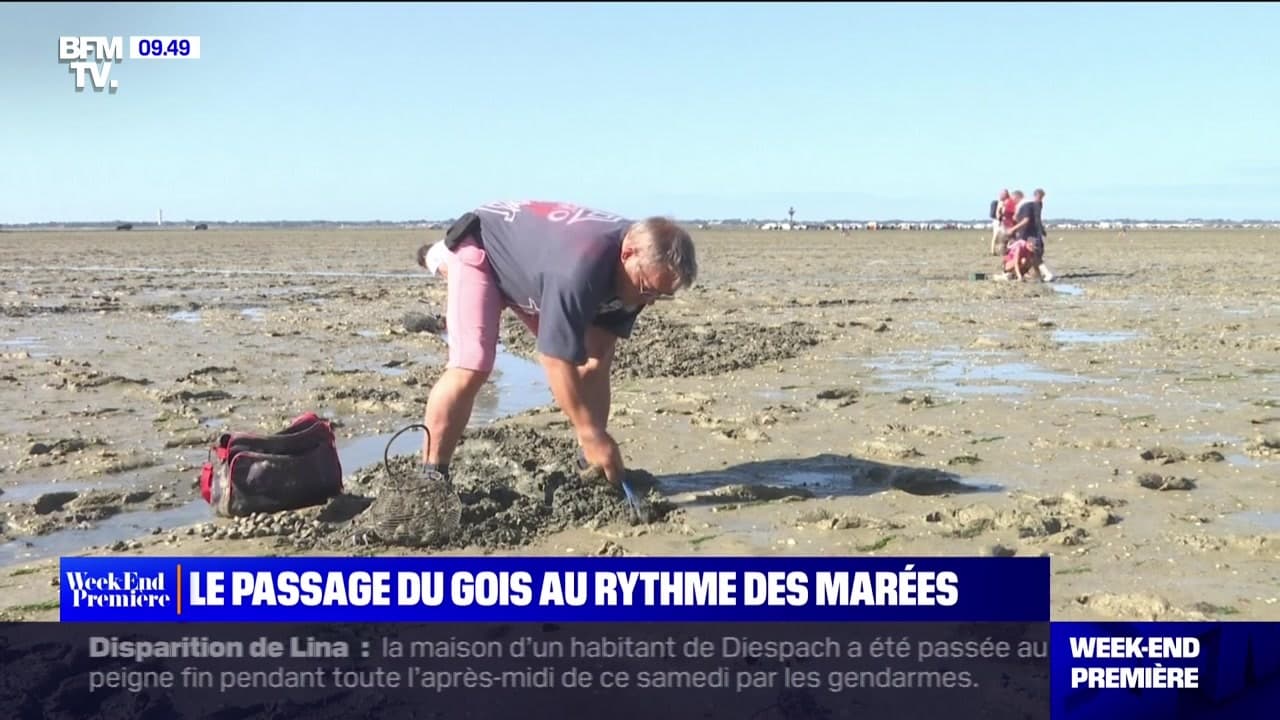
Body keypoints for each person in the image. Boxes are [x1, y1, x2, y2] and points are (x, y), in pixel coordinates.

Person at [415, 200, 698, 489]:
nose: (648, 301)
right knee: (472, 364)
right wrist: (591, 433)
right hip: (485, 249)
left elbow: (596, 357)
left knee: (594, 354)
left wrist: (594, 442)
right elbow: (554, 359)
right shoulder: (579, 269)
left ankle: (589, 467)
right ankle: (430, 479)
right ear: (627, 254)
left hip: (534, 275)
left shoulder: (638, 281)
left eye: (659, 295)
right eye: (647, 289)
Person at [990, 189, 1011, 256]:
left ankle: (994, 251)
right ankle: (994, 251)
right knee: (999, 237)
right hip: (1000, 221)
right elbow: (998, 212)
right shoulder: (1002, 202)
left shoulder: (1002, 202)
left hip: (1000, 221)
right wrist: (1000, 220)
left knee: (998, 237)